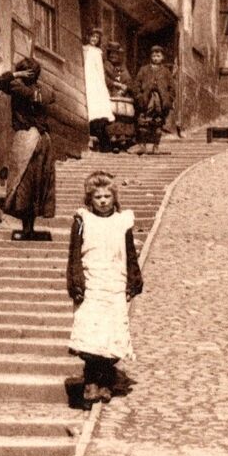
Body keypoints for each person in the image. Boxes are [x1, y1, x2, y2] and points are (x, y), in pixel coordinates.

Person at [67, 171, 143, 405]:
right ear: (90, 199)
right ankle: (91, 382)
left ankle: (105, 382)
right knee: (91, 333)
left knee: (111, 332)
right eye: (97, 197)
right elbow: (74, 254)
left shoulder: (122, 222)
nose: (102, 201)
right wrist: (75, 281)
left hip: (114, 282)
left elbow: (129, 252)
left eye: (107, 196)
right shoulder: (83, 221)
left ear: (114, 198)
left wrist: (134, 279)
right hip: (92, 282)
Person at [0, 56, 56, 241]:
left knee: (25, 184)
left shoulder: (17, 87)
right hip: (42, 138)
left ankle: (28, 229)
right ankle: (29, 228)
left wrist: (15, 74)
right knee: (34, 184)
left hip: (28, 138)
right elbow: (51, 96)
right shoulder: (42, 90)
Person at [134, 45, 175, 154]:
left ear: (162, 57)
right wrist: (139, 97)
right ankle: (142, 146)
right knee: (144, 123)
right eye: (154, 56)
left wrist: (169, 99)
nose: (156, 58)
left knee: (158, 123)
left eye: (158, 56)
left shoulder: (166, 71)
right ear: (151, 57)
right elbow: (137, 85)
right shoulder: (144, 70)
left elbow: (172, 88)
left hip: (160, 102)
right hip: (146, 100)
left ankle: (156, 146)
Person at [83, 27, 115, 152]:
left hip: (95, 80)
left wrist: (102, 84)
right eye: (93, 36)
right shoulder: (83, 49)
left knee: (98, 107)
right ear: (88, 36)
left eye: (97, 37)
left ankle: (103, 143)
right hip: (86, 77)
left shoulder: (98, 51)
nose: (94, 39)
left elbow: (100, 70)